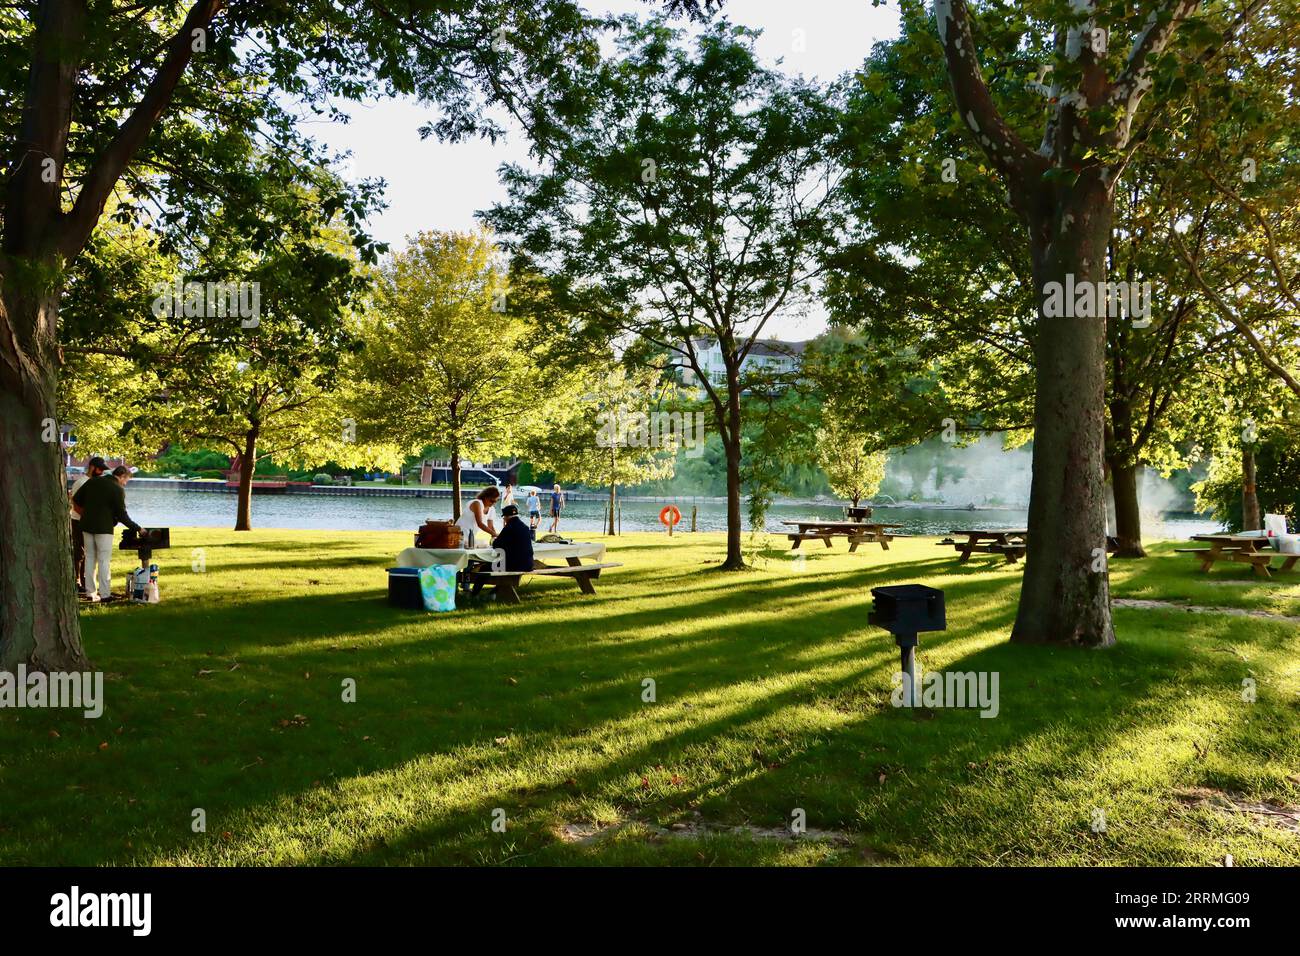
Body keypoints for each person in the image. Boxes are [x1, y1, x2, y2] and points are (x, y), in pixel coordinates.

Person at [73, 465, 141, 603]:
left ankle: (90, 592)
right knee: (104, 560)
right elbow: (122, 514)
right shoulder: (117, 489)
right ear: (121, 476)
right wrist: (138, 528)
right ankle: (105, 594)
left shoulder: (93, 481)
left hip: (86, 525)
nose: (125, 483)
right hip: (104, 528)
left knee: (90, 558)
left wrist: (88, 512)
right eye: (126, 480)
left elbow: (77, 499)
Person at [69, 457, 107, 594]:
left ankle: (86, 581)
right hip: (79, 521)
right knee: (79, 553)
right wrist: (88, 517)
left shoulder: (94, 482)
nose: (102, 472)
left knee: (90, 552)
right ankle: (76, 581)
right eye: (100, 469)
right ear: (92, 467)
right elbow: (75, 504)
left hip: (90, 522)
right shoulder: (81, 482)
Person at [492, 504, 534, 572]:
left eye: (504, 517)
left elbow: (496, 545)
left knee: (484, 568)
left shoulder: (509, 527)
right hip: (529, 565)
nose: (504, 519)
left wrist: (494, 540)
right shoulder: (525, 527)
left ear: (507, 517)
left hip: (515, 566)